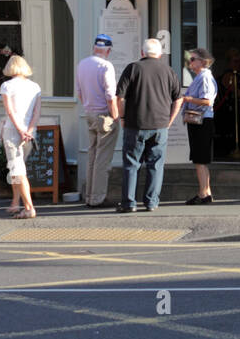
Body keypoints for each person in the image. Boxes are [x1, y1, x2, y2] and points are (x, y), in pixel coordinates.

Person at [116, 38, 183, 212]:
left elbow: (119, 97)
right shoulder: (168, 71)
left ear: (142, 53)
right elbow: (178, 99)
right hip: (160, 125)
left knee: (131, 164)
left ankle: (129, 203)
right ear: (160, 54)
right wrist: (169, 120)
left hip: (135, 124)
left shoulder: (133, 68)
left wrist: (122, 117)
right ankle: (151, 202)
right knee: (156, 164)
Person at [77, 34, 121, 207]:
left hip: (89, 113)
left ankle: (89, 196)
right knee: (102, 159)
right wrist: (116, 116)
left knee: (93, 155)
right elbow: (111, 96)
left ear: (94, 48)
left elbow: (79, 92)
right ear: (108, 50)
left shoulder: (82, 64)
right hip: (105, 114)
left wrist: (89, 107)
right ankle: (98, 198)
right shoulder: (106, 66)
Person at [0, 54, 41, 219]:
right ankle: (15, 202)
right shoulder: (35, 87)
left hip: (12, 130)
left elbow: (10, 111)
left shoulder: (7, 86)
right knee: (17, 168)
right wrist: (29, 130)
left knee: (18, 171)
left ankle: (29, 207)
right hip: (30, 133)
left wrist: (19, 129)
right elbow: (37, 112)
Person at [182, 48, 218, 204]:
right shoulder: (200, 77)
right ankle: (205, 191)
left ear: (202, 61)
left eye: (193, 59)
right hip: (199, 121)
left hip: (202, 121)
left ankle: (203, 193)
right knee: (199, 159)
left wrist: (187, 99)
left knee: (200, 160)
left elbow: (207, 101)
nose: (190, 62)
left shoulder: (204, 77)